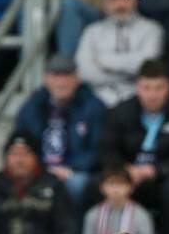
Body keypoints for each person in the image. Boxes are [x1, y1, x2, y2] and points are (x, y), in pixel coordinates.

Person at [98, 60, 169, 234]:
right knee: (94, 186)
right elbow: (107, 150)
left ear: (168, 87)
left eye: (158, 88)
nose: (152, 95)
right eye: (146, 88)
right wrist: (123, 170)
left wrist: (156, 170)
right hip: (127, 177)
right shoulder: (120, 112)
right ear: (137, 87)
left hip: (163, 177)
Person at [14, 55, 106, 216]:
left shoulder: (93, 106)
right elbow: (19, 142)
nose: (62, 82)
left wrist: (71, 168)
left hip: (75, 171)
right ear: (46, 79)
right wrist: (39, 168)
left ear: (77, 79)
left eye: (67, 76)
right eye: (56, 76)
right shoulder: (33, 106)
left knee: (76, 184)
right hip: (39, 169)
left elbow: (99, 150)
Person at [76, 0, 165, 108]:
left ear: (135, 1)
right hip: (99, 97)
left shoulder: (152, 29)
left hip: (139, 97)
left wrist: (103, 60)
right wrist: (130, 73)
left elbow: (148, 65)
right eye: (113, 0)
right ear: (104, 5)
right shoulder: (92, 32)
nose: (120, 5)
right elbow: (86, 73)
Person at [81, 167, 157, 234]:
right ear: (102, 187)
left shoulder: (142, 215)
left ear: (131, 188)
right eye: (111, 183)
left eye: (121, 184)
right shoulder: (92, 214)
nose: (116, 189)